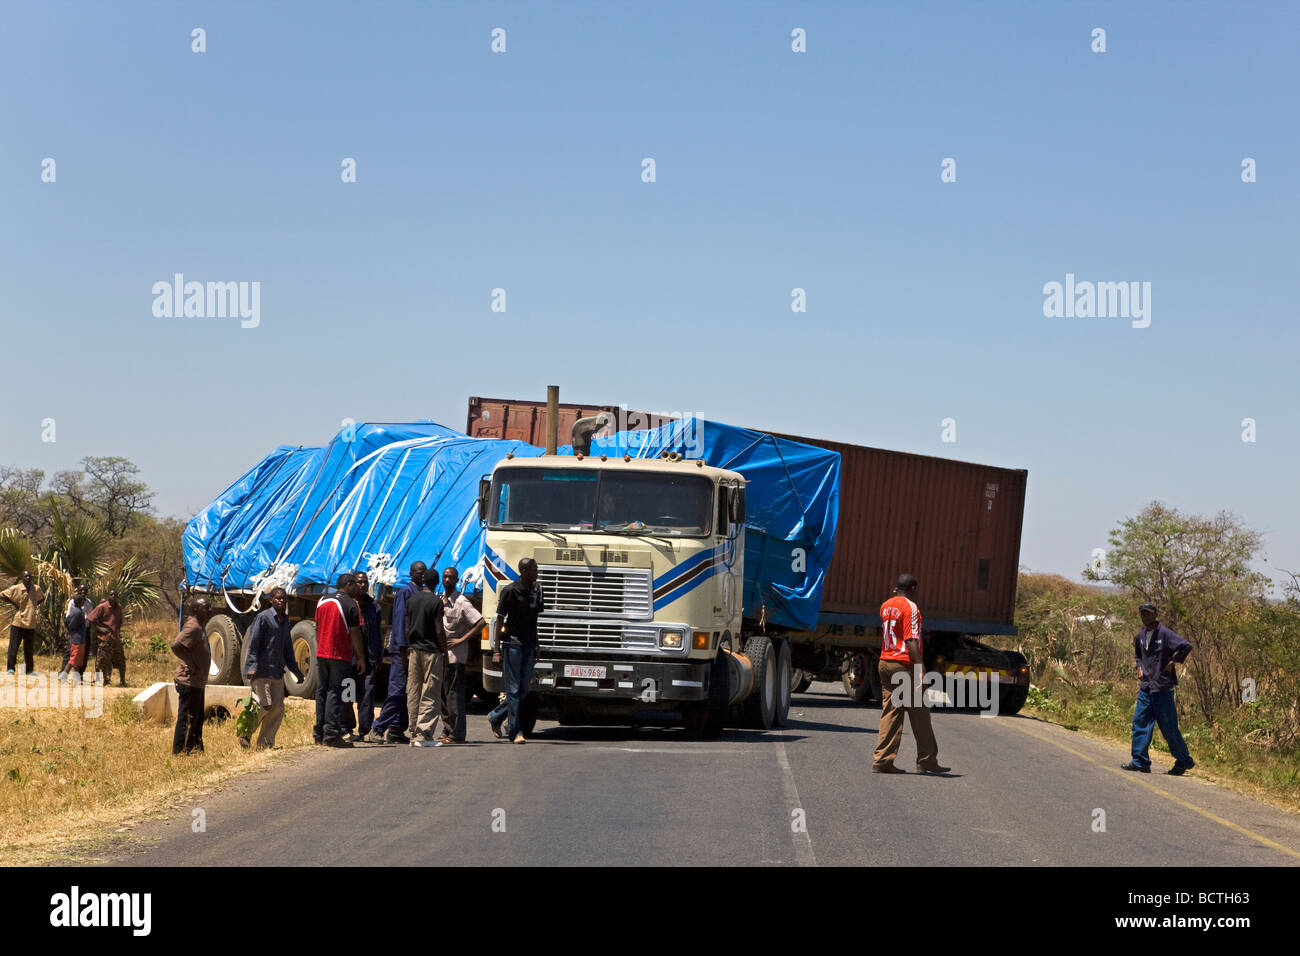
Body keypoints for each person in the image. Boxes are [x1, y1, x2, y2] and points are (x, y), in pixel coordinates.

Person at [873, 573, 949, 774]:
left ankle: (882, 760)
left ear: (895, 588)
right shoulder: (911, 607)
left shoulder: (885, 606)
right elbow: (910, 640)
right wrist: (920, 666)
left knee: (891, 712)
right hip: (904, 665)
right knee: (921, 713)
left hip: (885, 663)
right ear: (913, 589)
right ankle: (927, 760)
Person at [1122, 603, 1195, 775]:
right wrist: (1139, 667)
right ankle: (1140, 761)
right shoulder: (1140, 636)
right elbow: (1138, 655)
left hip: (1162, 687)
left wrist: (1174, 661)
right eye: (1143, 614)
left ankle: (1184, 761)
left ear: (1155, 615)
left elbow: (1186, 646)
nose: (1146, 617)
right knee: (1140, 723)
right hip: (1146, 687)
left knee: (1168, 728)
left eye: (1149, 614)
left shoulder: (1165, 633)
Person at [488, 557, 544, 744]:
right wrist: (496, 650)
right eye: (535, 569)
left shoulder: (537, 590)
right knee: (512, 689)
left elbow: (534, 621)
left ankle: (496, 716)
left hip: (529, 645)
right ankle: (515, 732)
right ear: (525, 570)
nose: (537, 572)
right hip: (512, 645)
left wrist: (537, 644)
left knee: (525, 688)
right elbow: (499, 621)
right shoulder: (510, 591)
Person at [242, 586, 305, 749]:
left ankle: (265, 744)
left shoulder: (285, 621)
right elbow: (254, 644)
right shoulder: (263, 618)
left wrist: (296, 670)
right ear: (271, 600)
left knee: (277, 708)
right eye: (278, 598)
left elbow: (288, 649)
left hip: (277, 671)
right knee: (265, 704)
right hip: (261, 670)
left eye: (284, 598)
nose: (281, 601)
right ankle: (246, 732)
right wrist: (252, 666)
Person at [370, 561, 425, 744]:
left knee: (406, 692)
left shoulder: (420, 592)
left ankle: (396, 729)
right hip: (402, 650)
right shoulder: (405, 592)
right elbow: (401, 621)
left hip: (414, 650)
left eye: (424, 572)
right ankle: (377, 728)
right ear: (411, 573)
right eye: (418, 572)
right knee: (397, 690)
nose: (422, 575)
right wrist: (403, 649)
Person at [313, 574, 366, 747]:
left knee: (321, 692)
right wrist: (361, 657)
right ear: (349, 585)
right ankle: (331, 734)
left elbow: (317, 627)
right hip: (339, 654)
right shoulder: (351, 604)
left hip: (321, 653)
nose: (357, 589)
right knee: (334, 693)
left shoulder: (322, 600)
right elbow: (355, 633)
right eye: (355, 585)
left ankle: (318, 733)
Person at [437, 566, 483, 745]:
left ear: (456, 580)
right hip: (442, 655)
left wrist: (461, 639)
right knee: (443, 694)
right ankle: (447, 729)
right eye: (445, 577)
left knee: (454, 695)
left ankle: (457, 733)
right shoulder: (440, 600)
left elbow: (480, 623)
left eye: (451, 578)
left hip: (456, 656)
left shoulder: (462, 602)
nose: (447, 580)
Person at [405, 573, 446, 747]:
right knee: (430, 691)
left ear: (422, 582)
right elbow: (439, 630)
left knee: (413, 690)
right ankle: (424, 734)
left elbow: (407, 627)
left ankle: (414, 731)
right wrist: (444, 650)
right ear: (437, 583)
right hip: (432, 652)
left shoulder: (412, 600)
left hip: (414, 650)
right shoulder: (437, 602)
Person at [171, 597, 214, 755]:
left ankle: (194, 748)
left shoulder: (200, 625)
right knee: (186, 718)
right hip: (189, 681)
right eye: (206, 608)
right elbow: (176, 646)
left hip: (197, 681)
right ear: (196, 610)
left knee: (197, 717)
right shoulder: (193, 626)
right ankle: (179, 751)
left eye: (209, 607)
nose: (210, 610)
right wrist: (191, 664)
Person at [348, 571, 383, 742]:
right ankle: (347, 728)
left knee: (367, 694)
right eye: (359, 582)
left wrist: (379, 656)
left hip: (369, 658)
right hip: (349, 658)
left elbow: (377, 633)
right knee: (347, 694)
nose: (362, 585)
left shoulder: (374, 606)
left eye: (365, 582)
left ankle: (365, 730)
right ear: (353, 583)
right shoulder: (347, 604)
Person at [2, 569, 44, 675]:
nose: (28, 578)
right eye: (26, 576)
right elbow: (2, 595)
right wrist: (14, 603)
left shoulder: (36, 589)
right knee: (14, 647)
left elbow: (41, 598)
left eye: (30, 576)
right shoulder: (17, 588)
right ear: (22, 578)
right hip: (18, 622)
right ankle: (10, 668)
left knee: (29, 648)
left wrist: (33, 605)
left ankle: (29, 670)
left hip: (31, 622)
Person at [88, 588, 126, 687]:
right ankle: (104, 680)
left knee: (121, 661)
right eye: (111, 595)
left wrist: (117, 632)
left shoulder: (118, 608)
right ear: (108, 596)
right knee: (102, 660)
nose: (113, 597)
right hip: (105, 638)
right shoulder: (102, 607)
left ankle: (122, 681)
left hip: (116, 638)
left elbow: (120, 621)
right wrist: (99, 628)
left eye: (115, 595)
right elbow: (90, 618)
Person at [63, 584, 93, 683]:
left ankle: (78, 677)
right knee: (73, 657)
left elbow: (90, 616)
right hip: (77, 636)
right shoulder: (77, 611)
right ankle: (63, 675)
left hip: (83, 634)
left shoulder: (88, 603)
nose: (83, 592)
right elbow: (69, 620)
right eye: (81, 590)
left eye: (85, 590)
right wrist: (73, 631)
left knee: (79, 658)